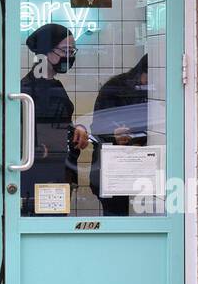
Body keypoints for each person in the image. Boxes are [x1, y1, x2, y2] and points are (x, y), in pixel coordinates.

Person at [20, 24, 89, 214]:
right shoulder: (28, 90)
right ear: (45, 52)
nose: (70, 56)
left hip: (57, 170)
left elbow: (57, 122)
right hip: (41, 174)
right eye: (65, 50)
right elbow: (27, 130)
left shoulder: (54, 85)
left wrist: (76, 129)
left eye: (73, 50)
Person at [89, 55, 149, 215]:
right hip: (113, 167)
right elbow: (97, 128)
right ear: (142, 72)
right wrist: (113, 136)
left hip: (141, 166)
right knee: (116, 217)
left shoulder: (155, 92)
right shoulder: (115, 88)